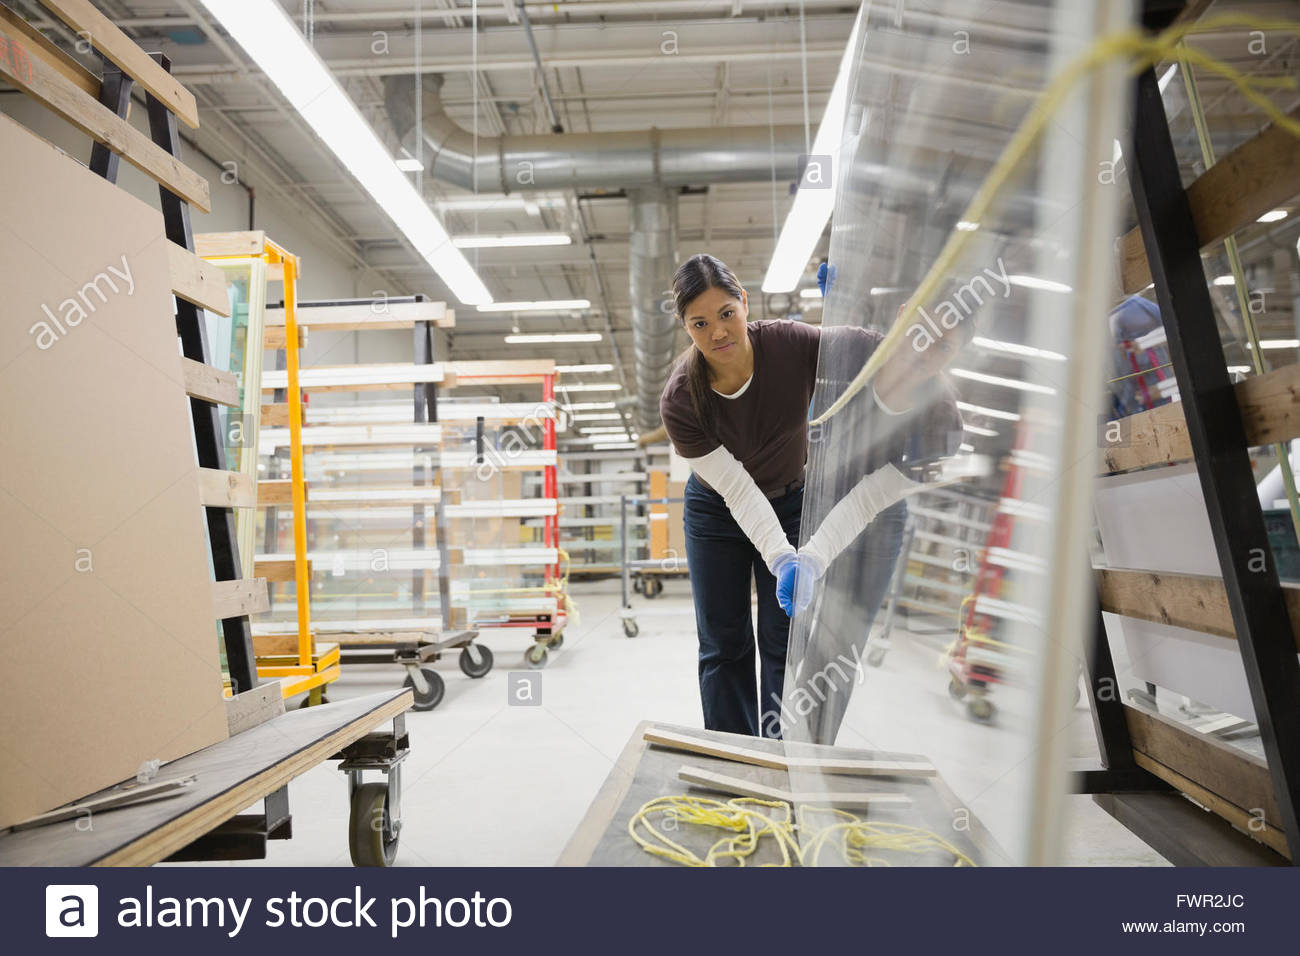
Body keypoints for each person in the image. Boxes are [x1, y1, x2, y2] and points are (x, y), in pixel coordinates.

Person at [660, 254, 968, 739]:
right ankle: (733, 756)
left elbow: (864, 347)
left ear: (743, 302)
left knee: (783, 640)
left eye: (726, 313)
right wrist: (784, 558)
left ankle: (780, 754)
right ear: (685, 327)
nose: (718, 332)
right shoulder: (682, 400)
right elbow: (738, 491)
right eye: (700, 323)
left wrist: (849, 302)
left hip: (788, 500)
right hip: (717, 511)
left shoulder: (786, 344)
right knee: (724, 641)